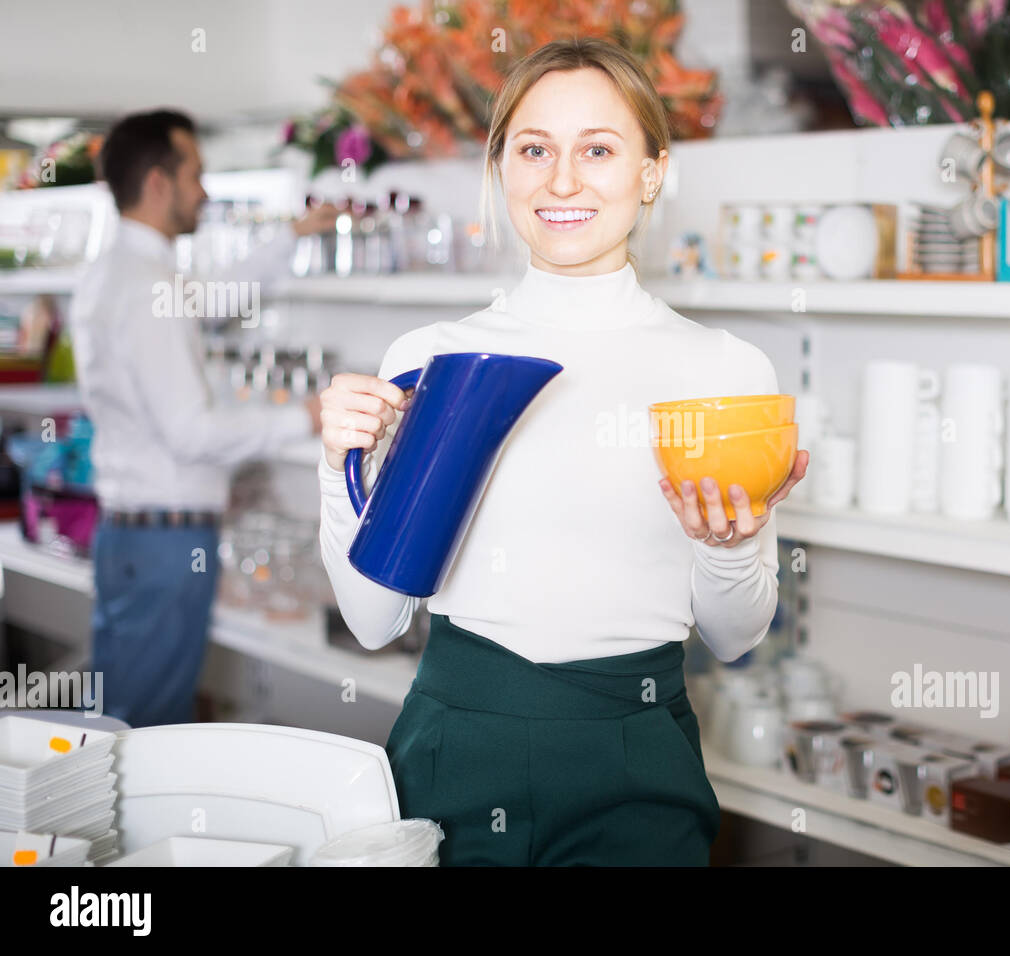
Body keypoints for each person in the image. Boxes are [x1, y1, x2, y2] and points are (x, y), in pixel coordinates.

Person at [318, 39, 810, 866]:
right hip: (453, 742)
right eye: (535, 149)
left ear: (651, 173)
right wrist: (338, 469)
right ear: (500, 166)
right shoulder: (429, 361)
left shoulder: (725, 373)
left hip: (637, 751)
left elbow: (735, 635)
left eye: (599, 150)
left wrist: (724, 547)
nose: (563, 180)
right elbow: (374, 622)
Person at [69, 109, 337, 728]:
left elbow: (212, 300)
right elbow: (192, 431)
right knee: (144, 732)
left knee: (118, 723)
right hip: (165, 543)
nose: (205, 191)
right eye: (196, 174)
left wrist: (292, 236)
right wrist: (306, 415)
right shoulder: (144, 288)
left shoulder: (122, 274)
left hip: (135, 537)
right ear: (160, 182)